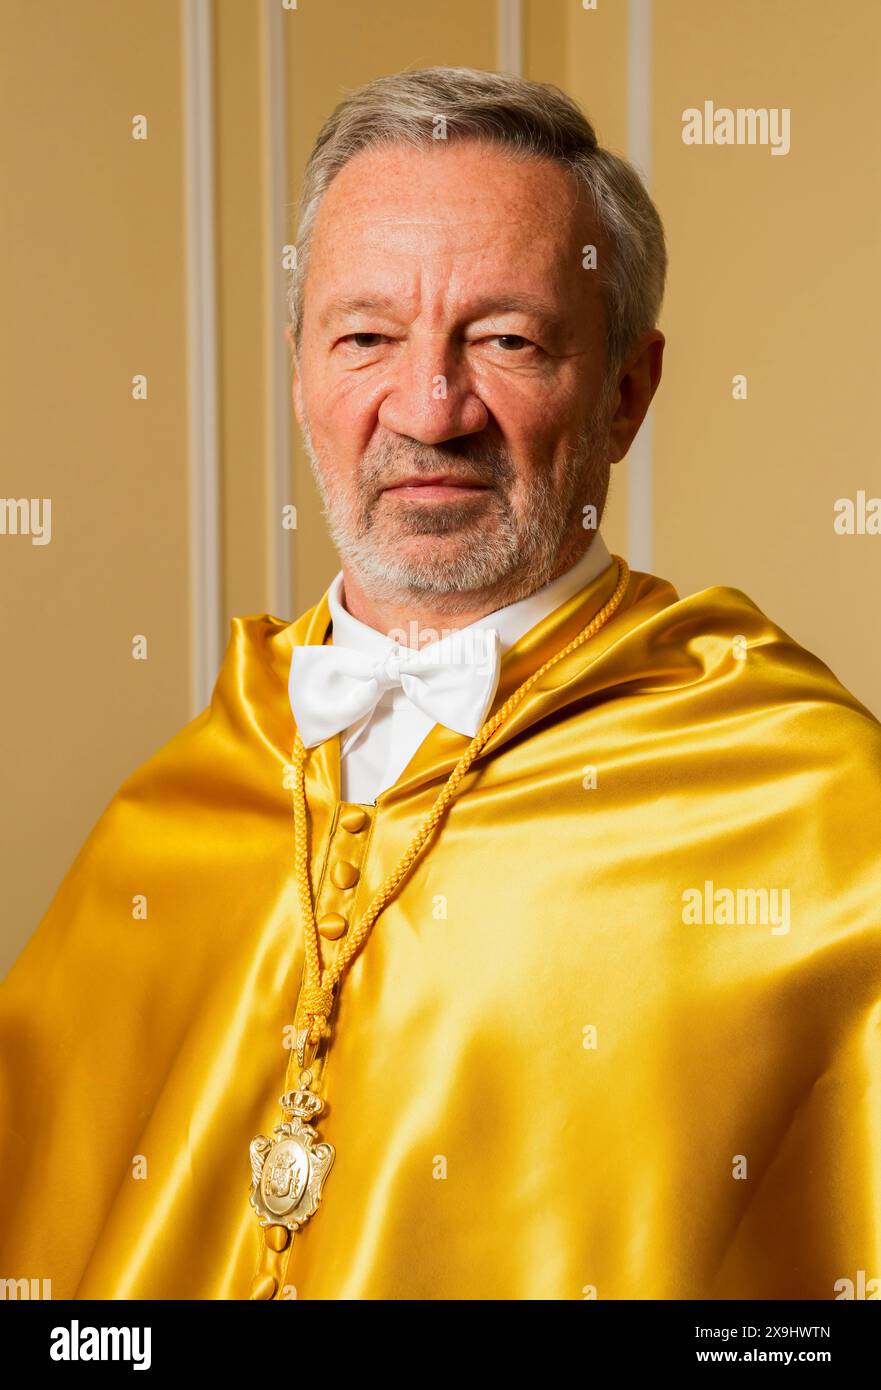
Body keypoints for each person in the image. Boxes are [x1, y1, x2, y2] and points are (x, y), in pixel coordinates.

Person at [1, 66, 879, 1303]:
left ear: (628, 389)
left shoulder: (814, 816)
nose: (428, 407)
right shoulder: (179, 803)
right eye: (364, 337)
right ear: (300, 373)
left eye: (505, 340)